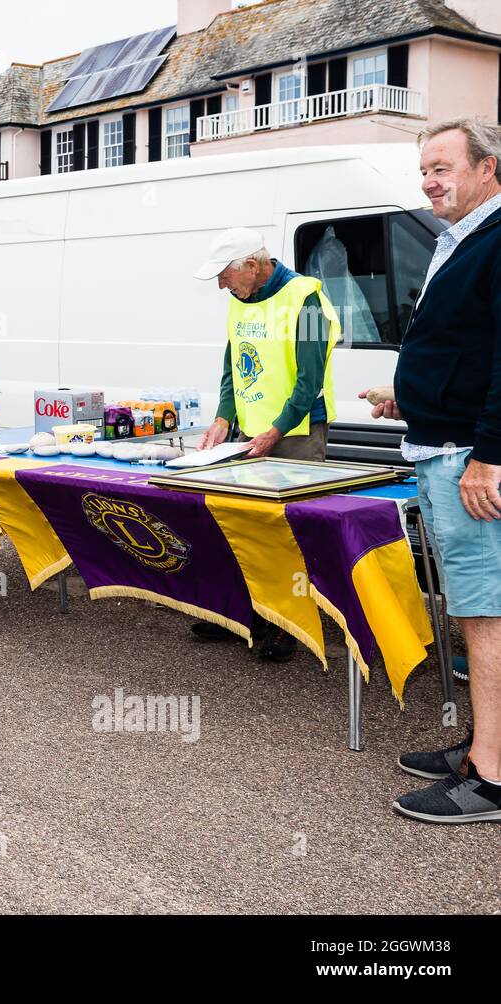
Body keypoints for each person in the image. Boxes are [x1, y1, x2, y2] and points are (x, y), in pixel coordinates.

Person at [361, 118, 501, 825]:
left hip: (469, 463)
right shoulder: (465, 240)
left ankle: (493, 778)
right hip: (443, 445)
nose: (429, 179)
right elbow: (465, 349)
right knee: (476, 606)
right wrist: (407, 396)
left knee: (484, 610)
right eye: (424, 169)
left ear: (488, 168)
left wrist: (489, 456)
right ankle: (484, 746)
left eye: (443, 165)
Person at [190, 228, 342, 661]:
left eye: (225, 275)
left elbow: (310, 382)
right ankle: (242, 616)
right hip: (250, 435)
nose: (222, 285)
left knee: (286, 535)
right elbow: (232, 366)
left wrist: (275, 431)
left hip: (294, 436)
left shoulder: (306, 298)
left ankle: (284, 627)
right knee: (242, 526)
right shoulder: (240, 300)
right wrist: (224, 417)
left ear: (253, 266)